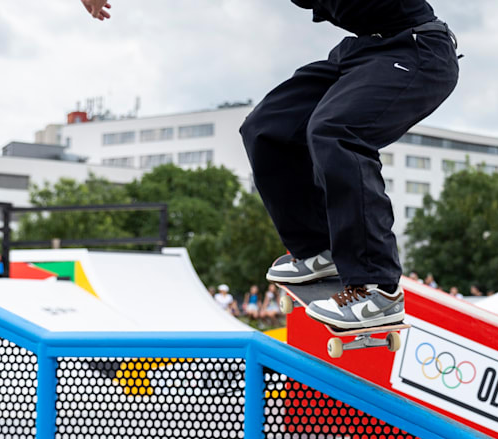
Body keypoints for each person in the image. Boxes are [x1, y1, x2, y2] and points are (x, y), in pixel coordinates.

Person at [72, 0, 461, 331]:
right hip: (360, 54)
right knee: (267, 129)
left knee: (335, 132)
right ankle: (318, 251)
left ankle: (378, 288)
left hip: (417, 50)